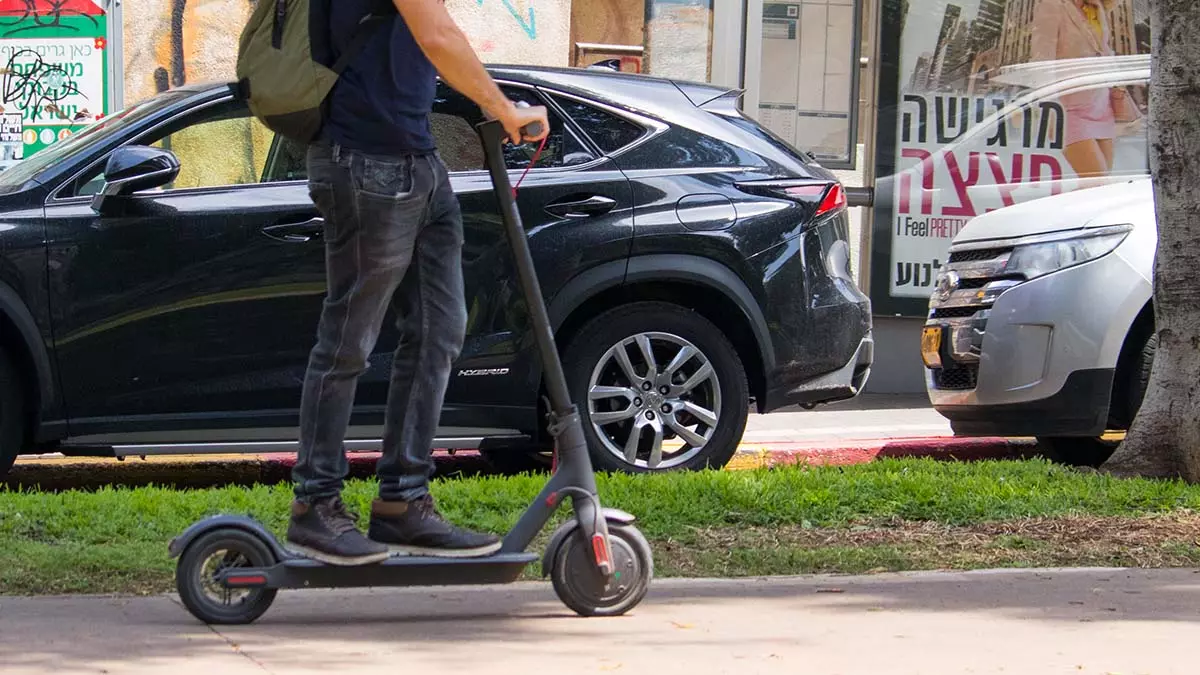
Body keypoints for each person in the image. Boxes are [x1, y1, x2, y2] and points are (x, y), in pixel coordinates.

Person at [286, 0, 549, 566]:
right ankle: (315, 505)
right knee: (348, 341)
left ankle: (402, 502)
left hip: (418, 161)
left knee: (440, 330)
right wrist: (502, 107)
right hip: (364, 163)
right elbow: (437, 33)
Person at [1030, 0, 1127, 178]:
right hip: (1068, 110)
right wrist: (1049, 108)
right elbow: (1042, 59)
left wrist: (1118, 82)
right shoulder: (1051, 5)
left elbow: (1104, 50)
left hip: (1101, 105)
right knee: (1098, 181)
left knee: (1097, 186)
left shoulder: (1096, 7)